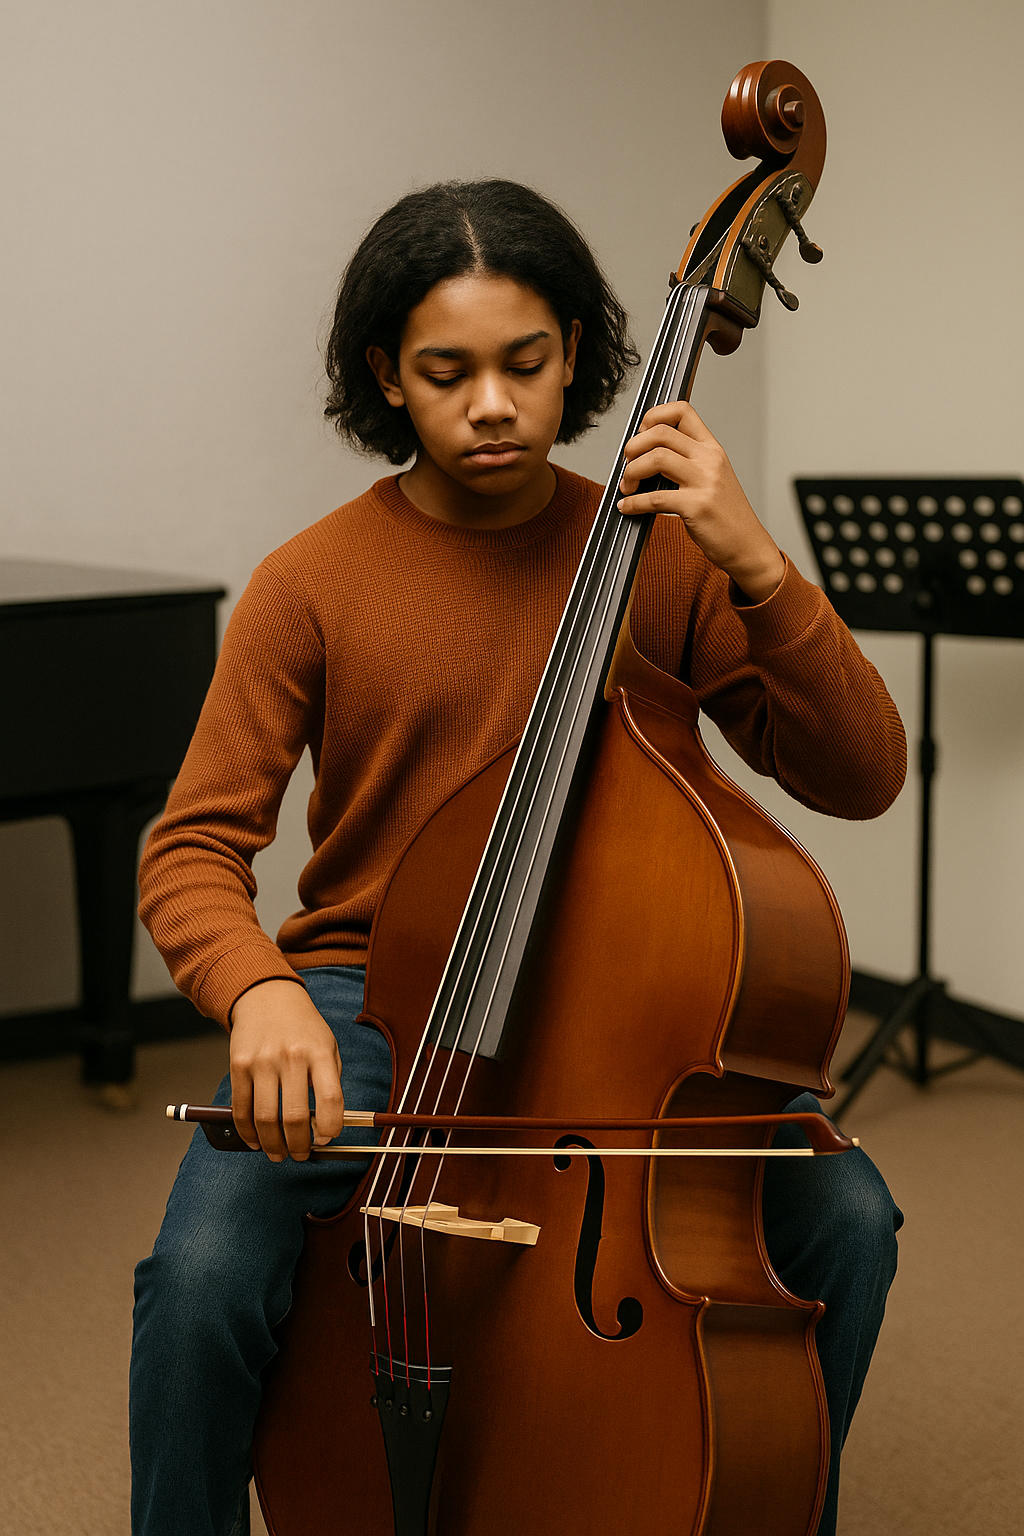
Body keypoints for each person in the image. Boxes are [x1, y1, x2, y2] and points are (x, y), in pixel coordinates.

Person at [131, 178, 906, 1536]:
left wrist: (757, 564)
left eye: (525, 364)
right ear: (389, 376)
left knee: (846, 1217)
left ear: (576, 356)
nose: (491, 404)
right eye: (448, 373)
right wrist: (255, 991)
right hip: (374, 997)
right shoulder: (309, 583)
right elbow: (194, 843)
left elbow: (861, 774)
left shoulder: (659, 559)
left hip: (630, 1005)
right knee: (200, 1272)